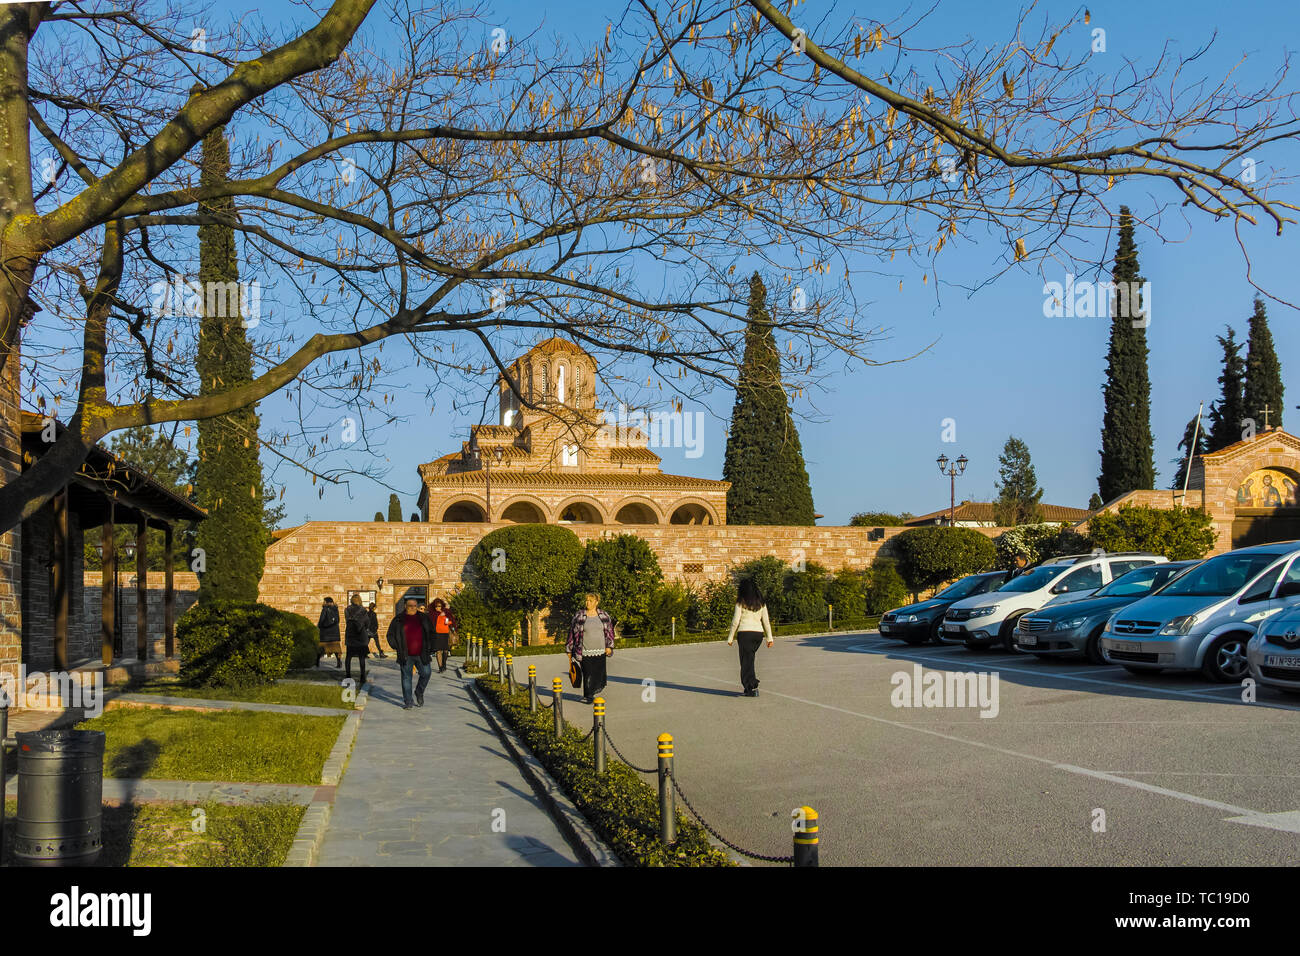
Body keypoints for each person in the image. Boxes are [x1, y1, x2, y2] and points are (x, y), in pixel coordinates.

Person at [727, 578, 773, 697]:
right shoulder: (761, 602)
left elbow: (735, 621)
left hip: (745, 634)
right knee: (749, 659)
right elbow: (766, 621)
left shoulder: (741, 602)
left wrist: (730, 637)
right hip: (758, 635)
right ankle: (749, 686)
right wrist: (769, 638)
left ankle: (751, 686)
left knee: (746, 661)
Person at [386, 596, 434, 709]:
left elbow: (432, 632)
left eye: (415, 606)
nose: (413, 608)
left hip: (422, 654)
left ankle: (419, 692)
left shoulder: (423, 618)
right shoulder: (398, 619)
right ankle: (408, 702)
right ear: (405, 606)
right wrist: (396, 646)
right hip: (406, 655)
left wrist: (431, 647)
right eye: (410, 606)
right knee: (406, 678)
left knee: (426, 673)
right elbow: (390, 635)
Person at [567, 592, 615, 704]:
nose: (587, 603)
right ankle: (589, 695)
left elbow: (610, 632)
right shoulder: (579, 615)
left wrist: (609, 646)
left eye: (590, 601)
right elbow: (571, 633)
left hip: (600, 651)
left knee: (598, 674)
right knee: (587, 673)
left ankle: (593, 691)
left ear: (596, 602)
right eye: (586, 600)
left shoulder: (604, 615)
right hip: (584, 651)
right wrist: (569, 649)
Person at [343, 594, 370, 684]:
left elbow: (347, 621)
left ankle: (348, 675)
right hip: (361, 636)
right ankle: (362, 677)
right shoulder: (363, 611)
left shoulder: (347, 610)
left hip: (350, 635)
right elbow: (367, 623)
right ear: (360, 600)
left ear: (351, 600)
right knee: (361, 658)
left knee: (348, 657)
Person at [428, 598, 458, 673]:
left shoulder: (446, 612)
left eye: (439, 606)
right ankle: (440, 667)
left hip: (445, 633)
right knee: (438, 651)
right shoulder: (432, 614)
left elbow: (452, 621)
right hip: (437, 634)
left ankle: (444, 664)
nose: (438, 607)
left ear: (442, 606)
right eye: (436, 606)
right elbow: (430, 624)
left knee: (445, 650)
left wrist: (448, 622)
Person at [316, 596, 342, 668]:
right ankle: (339, 662)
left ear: (326, 602)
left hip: (325, 633)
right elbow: (338, 620)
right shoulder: (336, 609)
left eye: (324, 601)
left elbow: (321, 620)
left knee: (321, 648)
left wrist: (319, 626)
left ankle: (317, 662)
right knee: (336, 649)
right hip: (335, 633)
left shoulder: (325, 609)